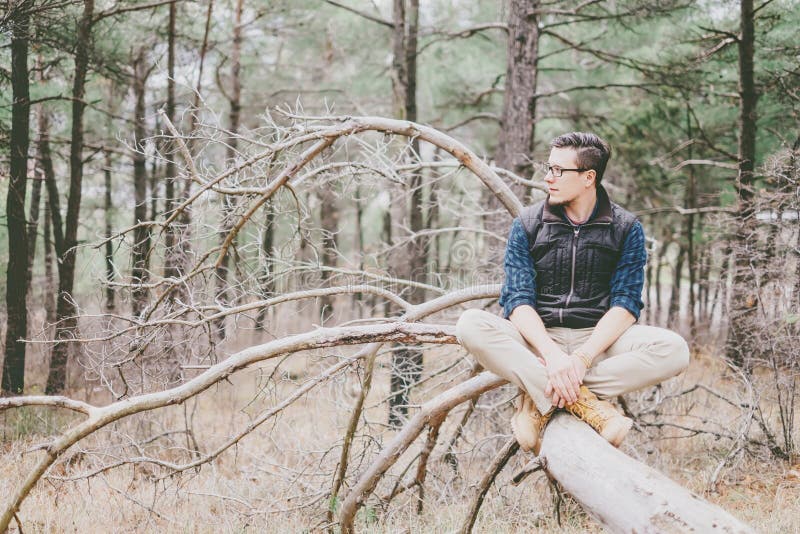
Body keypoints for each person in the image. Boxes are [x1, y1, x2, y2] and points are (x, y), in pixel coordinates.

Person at [456, 132, 690, 453]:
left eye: (558, 170)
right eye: (548, 168)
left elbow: (625, 304)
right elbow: (518, 300)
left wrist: (581, 358)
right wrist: (552, 357)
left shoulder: (625, 228)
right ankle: (585, 403)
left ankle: (540, 394)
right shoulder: (528, 224)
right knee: (469, 324)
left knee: (675, 350)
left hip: (598, 340)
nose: (548, 178)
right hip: (538, 339)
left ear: (588, 177)